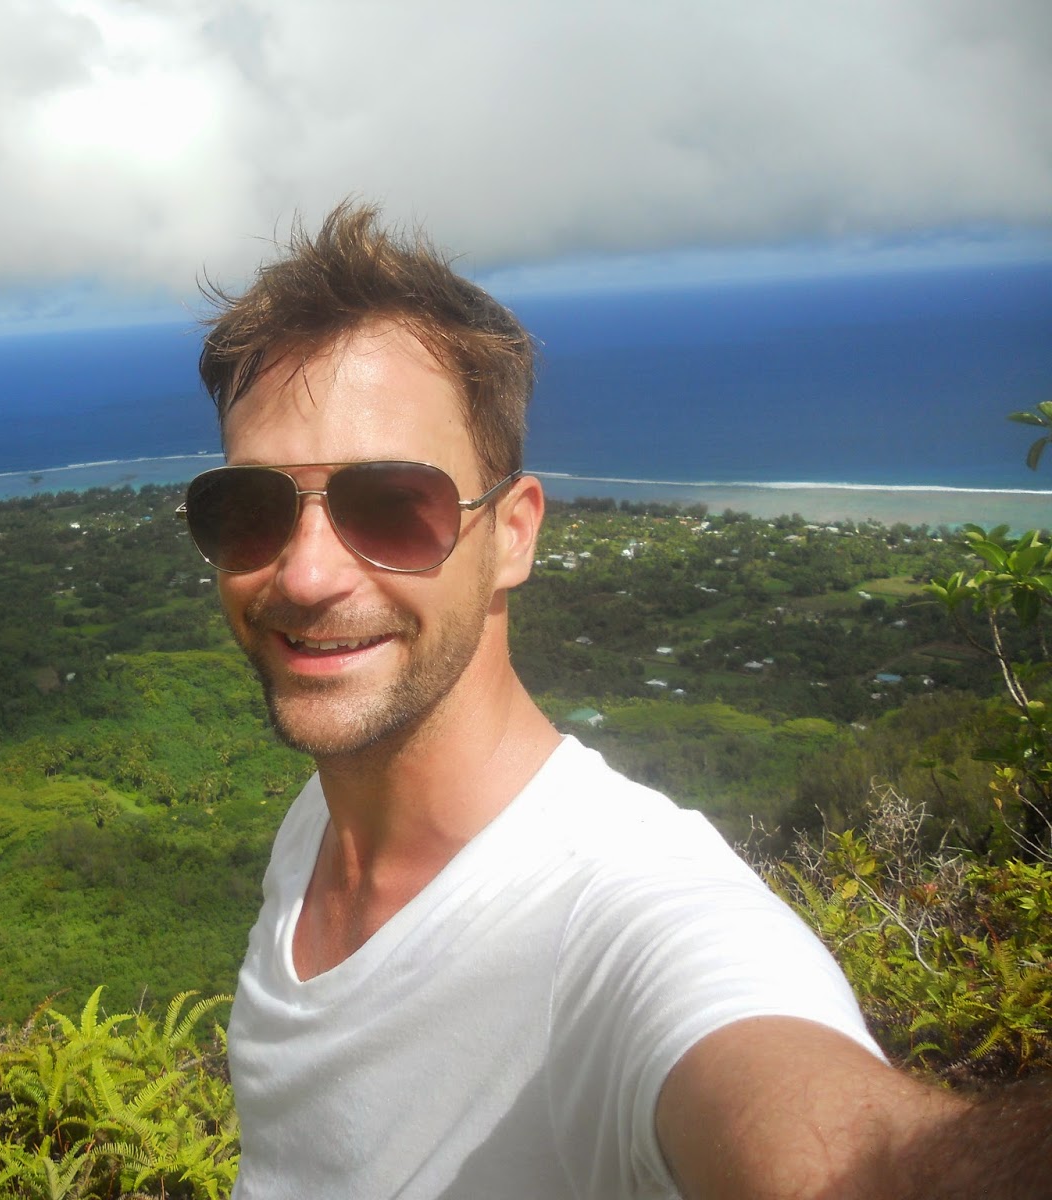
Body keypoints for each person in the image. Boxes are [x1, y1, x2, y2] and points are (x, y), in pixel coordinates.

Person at [177, 202, 1050, 1199]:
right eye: (249, 509)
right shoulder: (315, 832)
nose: (307, 576)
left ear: (511, 534)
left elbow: (829, 1143)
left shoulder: (625, 915)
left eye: (390, 505)